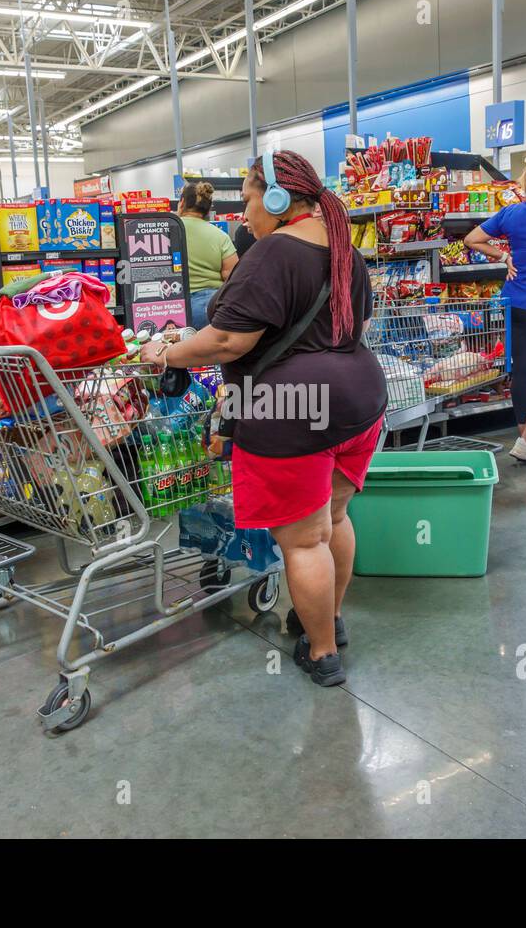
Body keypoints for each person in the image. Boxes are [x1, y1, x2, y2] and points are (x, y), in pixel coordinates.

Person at [143, 150, 386, 688]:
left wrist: (166, 354)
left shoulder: (273, 252)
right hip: (362, 400)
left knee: (303, 541)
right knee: (334, 521)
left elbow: (230, 339)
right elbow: (359, 323)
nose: (245, 214)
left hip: (291, 409)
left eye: (249, 200)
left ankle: (321, 652)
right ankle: (330, 619)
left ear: (276, 199)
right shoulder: (345, 247)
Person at [464, 149, 526, 464]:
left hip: (514, 300)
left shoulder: (511, 213)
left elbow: (471, 239)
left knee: (520, 369)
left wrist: (505, 257)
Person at [177, 182, 238, 329]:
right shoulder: (220, 235)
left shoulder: (167, 230)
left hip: (173, 305)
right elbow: (232, 276)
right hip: (209, 306)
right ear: (208, 208)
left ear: (182, 202)